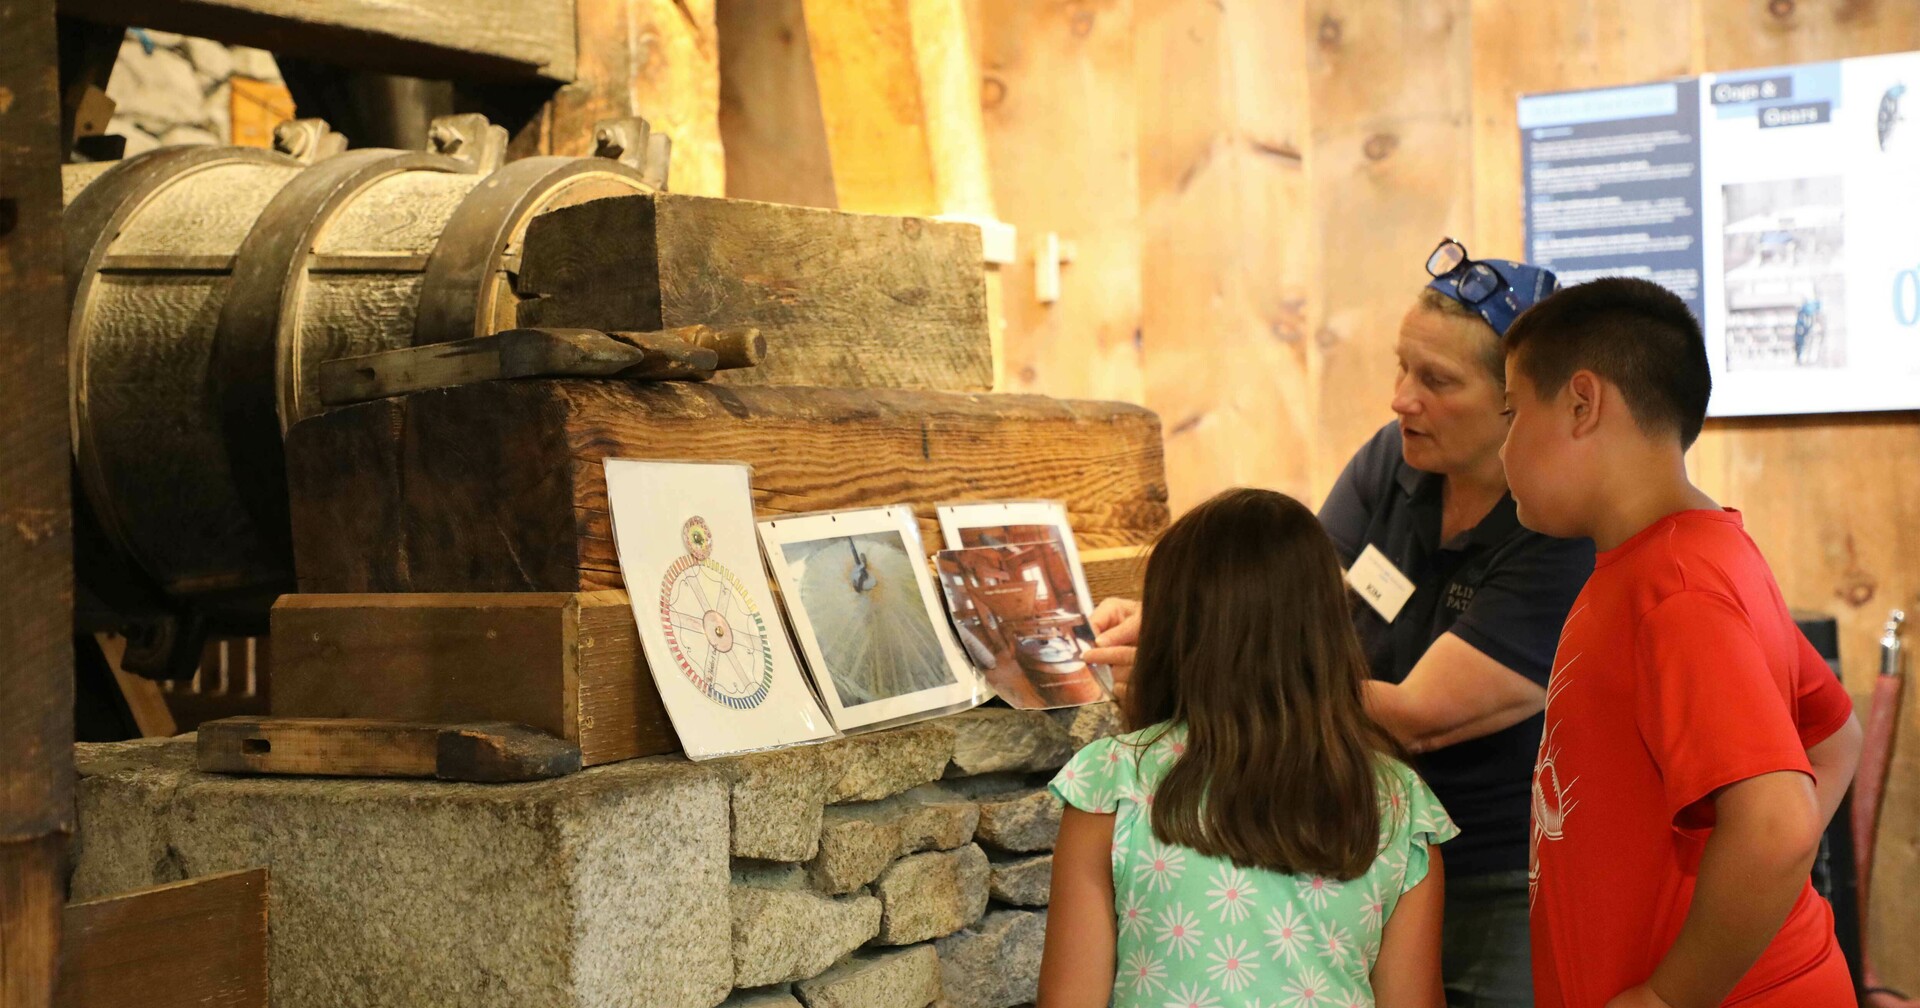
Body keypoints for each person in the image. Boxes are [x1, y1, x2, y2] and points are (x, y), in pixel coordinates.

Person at [1088, 239, 1593, 1007]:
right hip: (1358, 829)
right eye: (1401, 367)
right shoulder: (1395, 459)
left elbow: (1419, 715)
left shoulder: (1559, 532)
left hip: (1496, 868)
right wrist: (1179, 617)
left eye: (1436, 380)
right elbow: (1288, 605)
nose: (1400, 399)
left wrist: (1197, 651)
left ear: (1513, 400)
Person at [1497, 277, 1863, 1007]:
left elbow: (1780, 827)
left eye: (1511, 413)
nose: (1502, 446)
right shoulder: (1690, 560)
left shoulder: (1676, 588)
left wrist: (1671, 995)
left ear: (1582, 403)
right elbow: (1834, 737)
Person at [1040, 488, 1456, 1008]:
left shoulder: (1111, 781)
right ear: (1329, 629)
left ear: (1170, 628)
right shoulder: (1402, 805)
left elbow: (1069, 999)